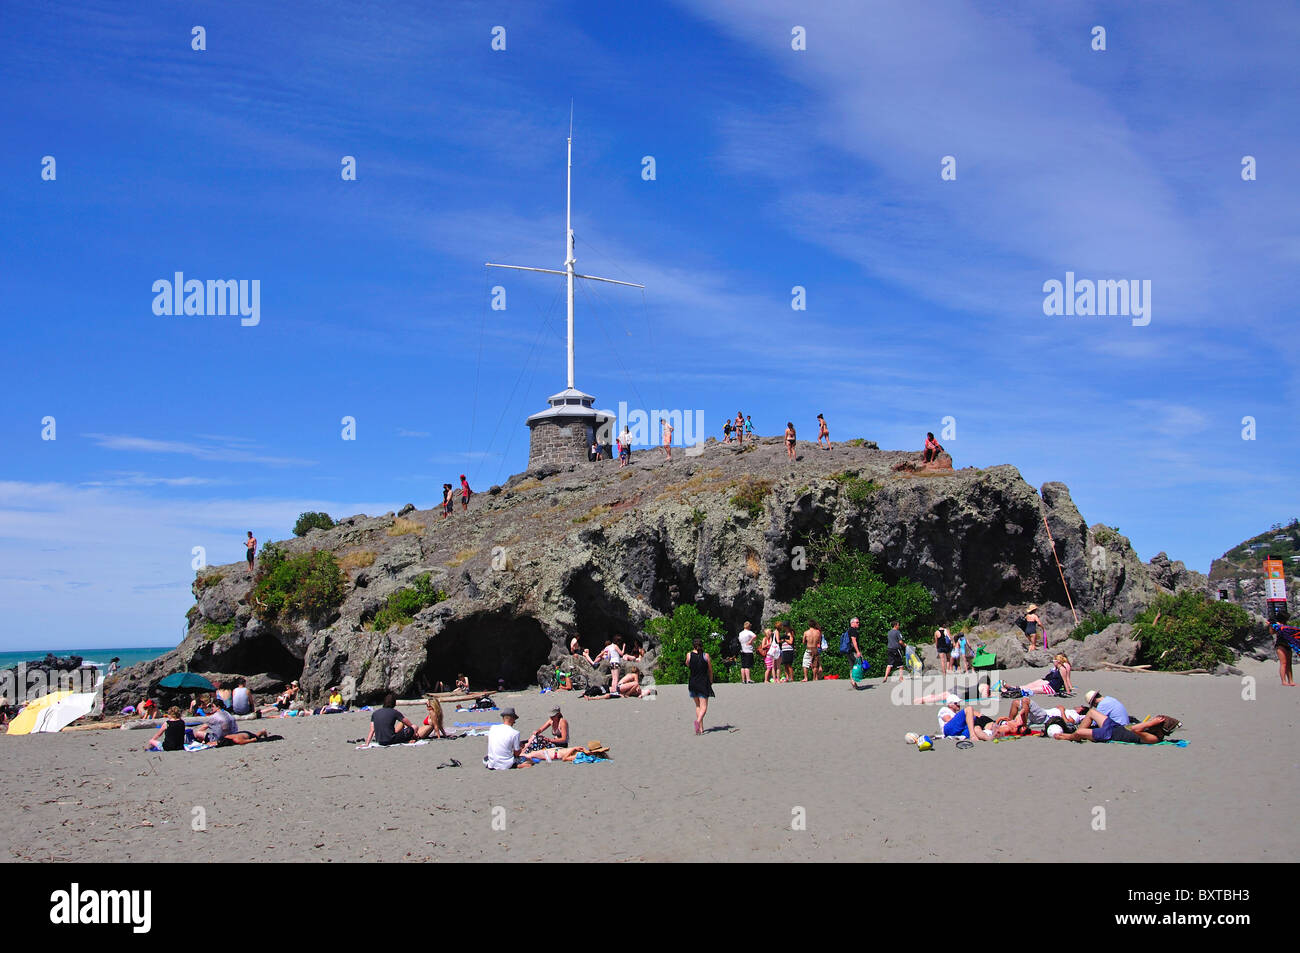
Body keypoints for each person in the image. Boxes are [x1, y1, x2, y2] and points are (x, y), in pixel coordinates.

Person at [1051, 706, 1173, 745]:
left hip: (1109, 734)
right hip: (1115, 726)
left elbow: (1135, 729)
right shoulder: (1151, 730)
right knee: (1092, 712)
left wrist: (1152, 722)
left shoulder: (1154, 738)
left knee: (1079, 733)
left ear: (1159, 727)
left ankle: (1069, 736)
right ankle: (1076, 734)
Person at [687, 637, 714, 734]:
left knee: (698, 706)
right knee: (704, 707)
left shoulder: (689, 655)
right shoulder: (706, 656)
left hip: (693, 682)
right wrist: (711, 681)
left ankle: (701, 729)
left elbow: (688, 664)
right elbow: (710, 670)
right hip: (703, 682)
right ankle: (698, 722)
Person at [521, 741, 611, 764]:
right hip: (556, 750)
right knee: (531, 752)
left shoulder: (580, 755)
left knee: (531, 754)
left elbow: (564, 759)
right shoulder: (583, 753)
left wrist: (573, 749)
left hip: (555, 754)